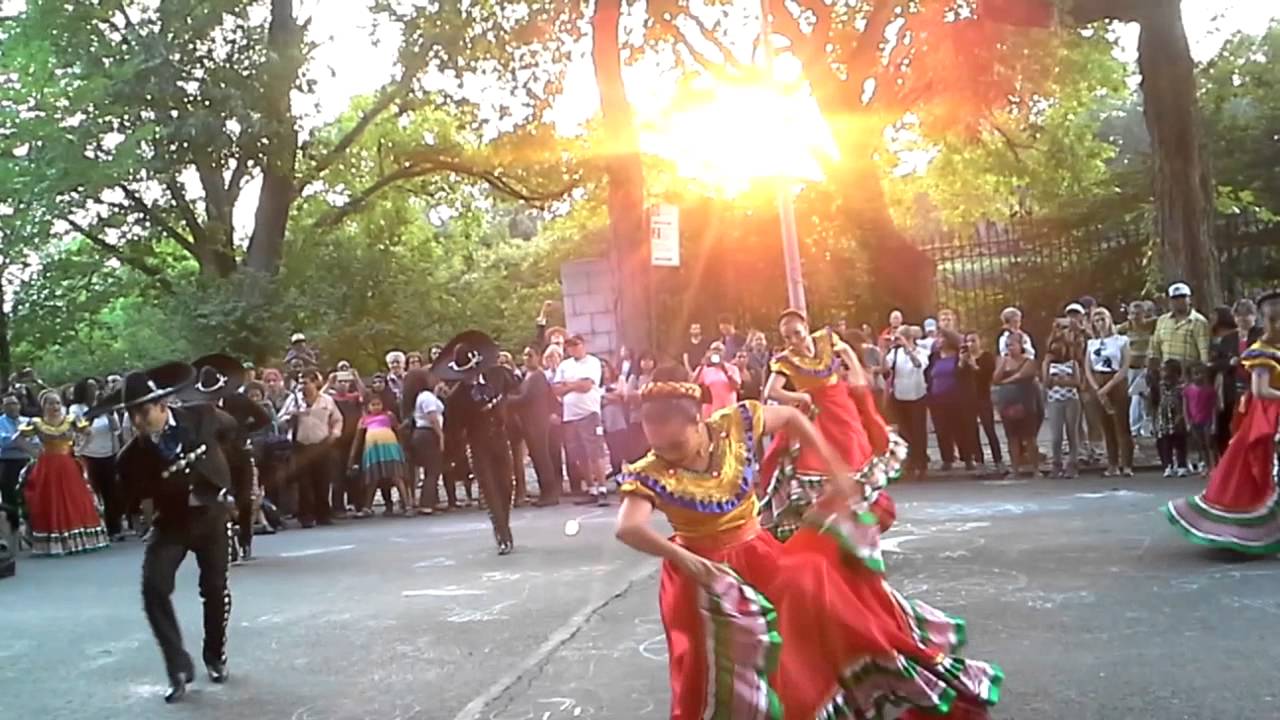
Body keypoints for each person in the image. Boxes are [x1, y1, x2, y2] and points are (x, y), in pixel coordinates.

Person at [616, 373, 1002, 720]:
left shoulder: (736, 423)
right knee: (723, 682)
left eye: (676, 443)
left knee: (803, 646)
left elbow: (794, 418)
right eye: (659, 446)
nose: (668, 453)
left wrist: (835, 467)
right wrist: (686, 559)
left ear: (698, 420)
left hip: (758, 553)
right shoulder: (651, 471)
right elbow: (628, 528)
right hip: (704, 585)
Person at [106, 362, 235, 702]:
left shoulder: (203, 416)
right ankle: (177, 665)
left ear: (163, 405)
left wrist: (221, 478)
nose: (136, 421)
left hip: (211, 517)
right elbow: (130, 498)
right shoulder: (130, 457)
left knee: (215, 589)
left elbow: (232, 431)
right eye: (130, 414)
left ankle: (215, 655)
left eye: (142, 412)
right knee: (153, 587)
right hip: (173, 522)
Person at [761, 310, 897, 540]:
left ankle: (859, 521)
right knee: (818, 466)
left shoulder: (825, 338)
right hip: (817, 416)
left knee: (854, 457)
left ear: (806, 326)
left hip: (842, 409)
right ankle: (830, 530)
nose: (794, 341)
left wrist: (857, 377)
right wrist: (800, 398)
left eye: (797, 333)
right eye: (787, 337)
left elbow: (846, 351)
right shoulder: (785, 360)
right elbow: (770, 392)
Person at [1164, 290, 1280, 554]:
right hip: (1268, 415)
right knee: (1268, 471)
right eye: (1275, 320)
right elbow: (1261, 390)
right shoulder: (1262, 352)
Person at [433, 331, 518, 554]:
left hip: (500, 437)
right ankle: (502, 534)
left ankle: (504, 524)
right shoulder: (457, 396)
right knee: (489, 489)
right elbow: (452, 428)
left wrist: (503, 407)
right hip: (477, 444)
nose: (469, 377)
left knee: (506, 485)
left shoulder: (498, 375)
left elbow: (517, 388)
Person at [16, 389, 110, 556]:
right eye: (51, 403)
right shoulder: (37, 422)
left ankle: (79, 538)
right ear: (44, 405)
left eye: (58, 402)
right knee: (51, 499)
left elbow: (89, 433)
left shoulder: (70, 420)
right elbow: (18, 438)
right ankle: (54, 540)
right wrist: (34, 452)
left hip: (67, 464)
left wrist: (80, 449)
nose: (55, 406)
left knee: (74, 498)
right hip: (47, 466)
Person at [278, 369, 345, 527]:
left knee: (322, 480)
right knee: (304, 482)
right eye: (301, 383)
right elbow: (279, 420)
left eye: (306, 382)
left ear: (315, 383)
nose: (303, 386)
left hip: (321, 444)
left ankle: (323, 515)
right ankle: (306, 516)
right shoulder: (293, 400)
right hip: (300, 445)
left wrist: (334, 434)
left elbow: (337, 419)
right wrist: (291, 417)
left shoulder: (326, 400)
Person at [553, 336, 609, 506]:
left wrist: (568, 385)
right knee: (579, 454)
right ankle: (590, 488)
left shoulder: (592, 362)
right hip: (570, 415)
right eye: (570, 346)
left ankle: (602, 487)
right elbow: (556, 388)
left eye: (576, 345)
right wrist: (575, 385)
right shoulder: (564, 365)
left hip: (588, 412)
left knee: (595, 452)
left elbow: (587, 386)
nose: (573, 349)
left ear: (583, 345)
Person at [69, 377, 124, 540]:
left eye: (95, 387)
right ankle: (96, 528)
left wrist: (107, 411)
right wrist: (94, 413)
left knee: (111, 493)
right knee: (94, 492)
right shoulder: (76, 408)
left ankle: (114, 528)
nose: (94, 391)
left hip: (108, 453)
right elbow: (79, 428)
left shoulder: (103, 408)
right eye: (90, 388)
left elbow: (116, 428)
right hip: (88, 454)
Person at [1085, 307, 1135, 477]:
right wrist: (1097, 388)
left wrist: (1108, 387)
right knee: (1106, 425)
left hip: (1116, 381)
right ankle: (1112, 464)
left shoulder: (1121, 340)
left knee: (1121, 424)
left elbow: (1124, 366)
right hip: (1098, 381)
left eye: (1103, 319)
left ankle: (1127, 464)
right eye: (1096, 321)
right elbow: (1088, 368)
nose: (1100, 324)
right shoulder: (1091, 343)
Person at [1209, 299, 1262, 454]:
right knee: (1230, 424)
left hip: (1256, 386)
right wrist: (1230, 362)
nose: (1243, 319)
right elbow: (1216, 362)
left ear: (1254, 316)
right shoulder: (1228, 339)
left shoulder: (1262, 335)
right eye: (1239, 316)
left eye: (1247, 315)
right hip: (1232, 388)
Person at [507, 346, 558, 506]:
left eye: (530, 355)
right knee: (536, 457)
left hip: (537, 422)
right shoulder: (525, 375)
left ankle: (550, 494)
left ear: (538, 357)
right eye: (525, 355)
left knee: (542, 457)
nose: (527, 358)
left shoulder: (538, 377)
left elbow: (526, 397)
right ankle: (544, 492)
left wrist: (506, 400)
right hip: (528, 422)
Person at [351, 393, 412, 516]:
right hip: (373, 451)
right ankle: (367, 507)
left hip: (390, 449)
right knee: (373, 479)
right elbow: (357, 440)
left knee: (397, 477)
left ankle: (407, 506)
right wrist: (352, 459)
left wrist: (403, 447)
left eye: (378, 404)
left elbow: (398, 430)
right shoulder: (364, 420)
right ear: (367, 407)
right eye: (373, 405)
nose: (376, 407)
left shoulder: (389, 416)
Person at [925, 328, 977, 472]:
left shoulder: (960, 356)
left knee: (961, 429)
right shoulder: (934, 357)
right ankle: (947, 459)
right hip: (937, 399)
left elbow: (967, 374)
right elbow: (928, 374)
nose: (938, 341)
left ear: (948, 340)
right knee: (942, 430)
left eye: (941, 338)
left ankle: (967, 458)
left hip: (957, 399)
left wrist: (961, 362)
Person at [883, 325, 929, 479]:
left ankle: (921, 463)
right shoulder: (895, 353)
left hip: (917, 396)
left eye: (900, 337)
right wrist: (885, 350)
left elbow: (919, 365)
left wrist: (908, 349)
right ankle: (908, 463)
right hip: (900, 396)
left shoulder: (921, 351)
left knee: (918, 432)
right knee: (904, 432)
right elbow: (885, 368)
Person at [993, 330, 1041, 477]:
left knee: (1029, 438)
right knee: (1012, 438)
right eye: (1007, 345)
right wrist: (1003, 363)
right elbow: (995, 379)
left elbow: (1022, 375)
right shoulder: (1002, 360)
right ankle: (1015, 469)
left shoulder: (1029, 361)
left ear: (1021, 345)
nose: (1010, 348)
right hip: (1008, 405)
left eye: (1012, 344)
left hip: (1026, 403)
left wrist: (1004, 381)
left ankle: (1035, 468)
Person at [401, 368, 446, 513]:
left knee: (430, 468)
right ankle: (426, 503)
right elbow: (432, 417)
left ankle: (428, 500)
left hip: (420, 434)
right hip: (428, 433)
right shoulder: (426, 396)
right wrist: (440, 435)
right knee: (433, 468)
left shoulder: (423, 396)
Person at [1042, 325, 1083, 478]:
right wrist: (1062, 380)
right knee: (1056, 435)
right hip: (1054, 400)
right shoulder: (1048, 362)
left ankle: (1072, 464)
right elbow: (1046, 382)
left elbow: (1077, 382)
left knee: (1072, 432)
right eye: (1054, 346)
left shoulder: (1073, 362)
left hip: (1071, 400)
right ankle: (1057, 464)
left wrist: (1061, 381)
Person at [965, 331, 1004, 472]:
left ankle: (998, 460)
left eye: (973, 340)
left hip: (983, 397)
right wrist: (962, 362)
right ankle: (979, 461)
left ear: (979, 341)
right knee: (972, 431)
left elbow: (987, 375)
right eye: (968, 341)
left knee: (989, 429)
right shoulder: (964, 358)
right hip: (969, 399)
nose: (971, 344)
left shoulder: (986, 357)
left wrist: (974, 365)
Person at [1118, 300, 1158, 438]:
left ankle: (1138, 427)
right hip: (1129, 368)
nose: (1135, 316)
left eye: (1138, 313)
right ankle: (1135, 426)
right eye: (1133, 313)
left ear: (1144, 314)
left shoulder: (1150, 325)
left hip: (1144, 367)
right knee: (1132, 395)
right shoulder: (1125, 328)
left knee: (1140, 396)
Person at [1150, 282, 1211, 368]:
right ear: (1170, 300)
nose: (1179, 301)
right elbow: (1155, 348)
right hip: (1166, 374)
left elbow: (1204, 352)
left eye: (1183, 297)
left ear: (1190, 299)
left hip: (1189, 375)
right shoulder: (1162, 320)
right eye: (1175, 298)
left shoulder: (1199, 322)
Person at [0, 393, 33, 536]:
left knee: (31, 497)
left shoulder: (28, 421)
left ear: (19, 405)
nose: (12, 407)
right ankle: (13, 533)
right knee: (10, 498)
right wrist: (20, 440)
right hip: (8, 463)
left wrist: (17, 442)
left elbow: (36, 441)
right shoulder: (0, 422)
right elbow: (4, 441)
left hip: (28, 462)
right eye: (8, 404)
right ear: (2, 407)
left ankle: (32, 529)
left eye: (14, 403)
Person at [1153, 359, 1190, 477]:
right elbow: (1155, 401)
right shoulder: (1160, 386)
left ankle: (1182, 465)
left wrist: (1182, 416)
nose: (1164, 374)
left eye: (1166, 371)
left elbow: (1185, 402)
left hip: (1177, 416)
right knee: (1165, 442)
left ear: (1176, 373)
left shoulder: (1181, 387)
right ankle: (1168, 465)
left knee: (1180, 442)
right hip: (1163, 418)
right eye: (1162, 370)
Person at [1183, 363, 1218, 476]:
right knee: (1201, 445)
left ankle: (1214, 466)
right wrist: (1187, 422)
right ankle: (1206, 466)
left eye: (1201, 374)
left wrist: (1214, 423)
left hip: (1207, 420)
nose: (1199, 376)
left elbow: (1213, 408)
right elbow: (1185, 407)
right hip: (1194, 421)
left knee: (1210, 444)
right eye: (1196, 374)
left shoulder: (1210, 390)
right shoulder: (1188, 390)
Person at [691, 341, 741, 416]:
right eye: (714, 350)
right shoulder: (704, 369)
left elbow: (737, 386)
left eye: (719, 350)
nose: (717, 353)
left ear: (724, 353)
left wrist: (725, 370)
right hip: (711, 411)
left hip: (729, 409)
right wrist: (701, 365)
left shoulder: (732, 368)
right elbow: (692, 384)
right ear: (709, 352)